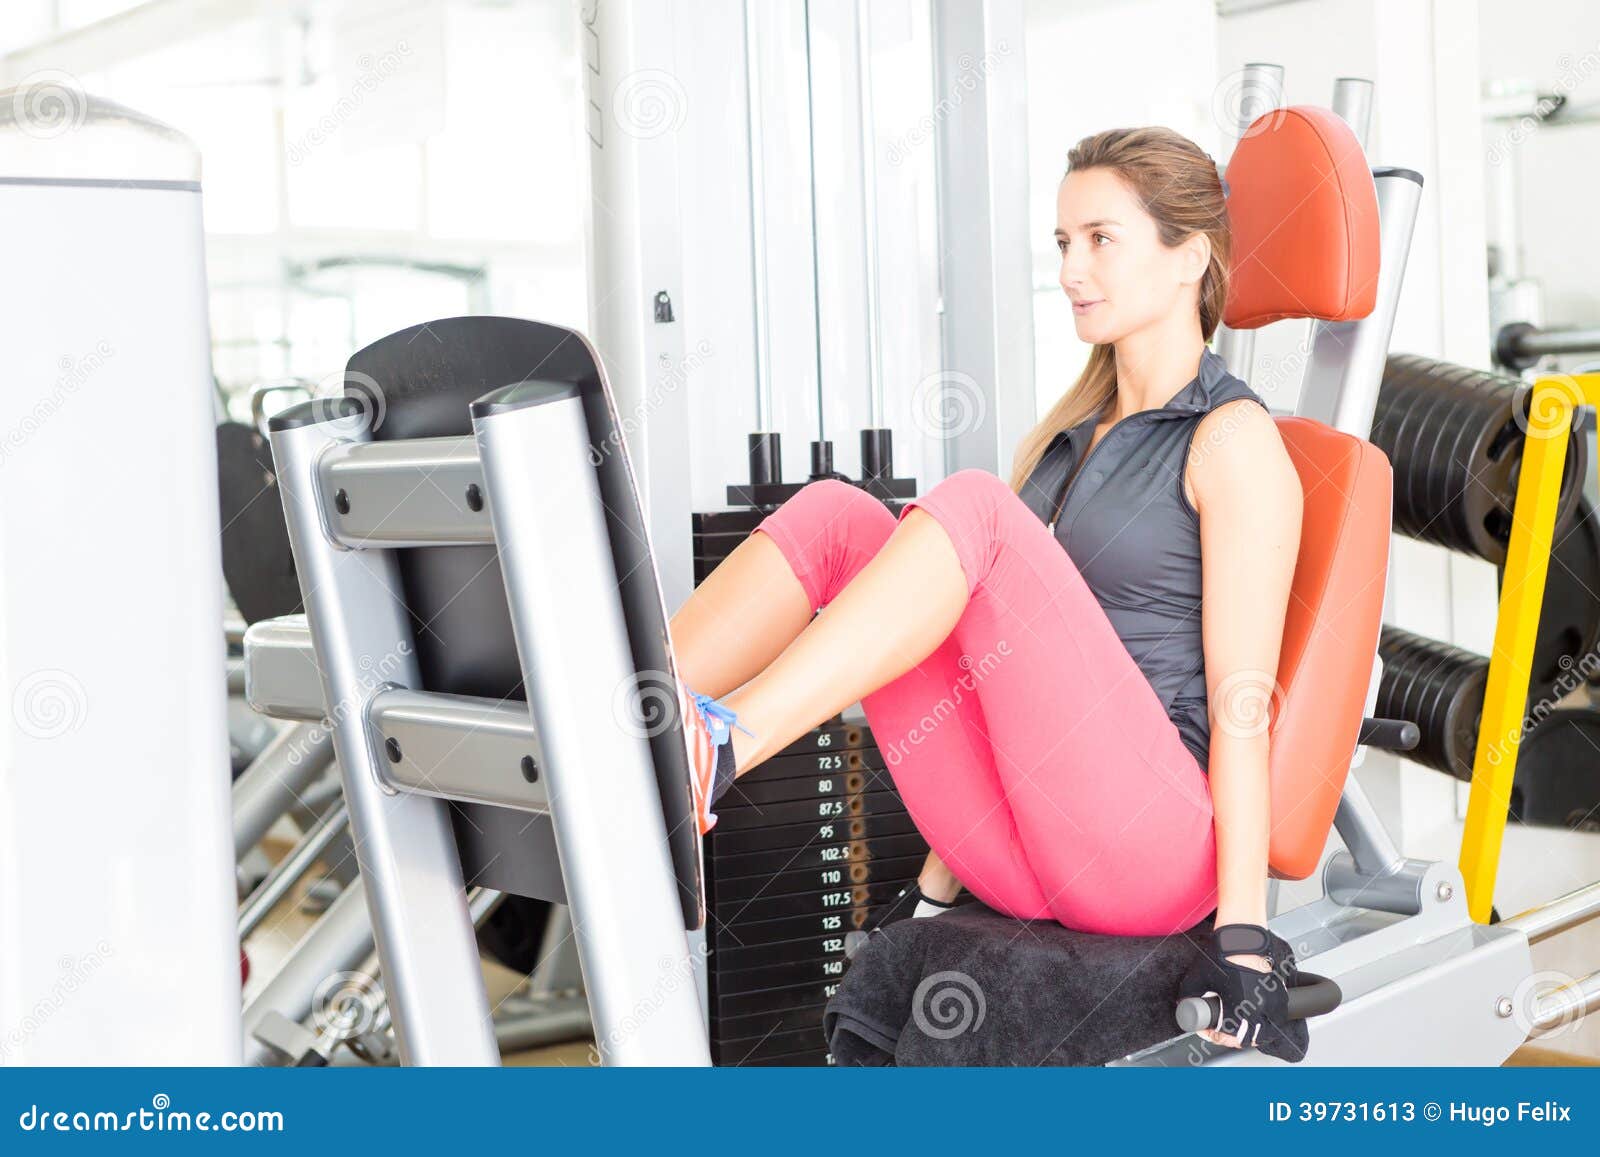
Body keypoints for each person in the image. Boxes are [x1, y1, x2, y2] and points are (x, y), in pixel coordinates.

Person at [668, 126, 1308, 1062]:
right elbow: (1004, 688)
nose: (1071, 270)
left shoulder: (1232, 439)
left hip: (1150, 850)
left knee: (973, 506)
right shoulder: (1059, 441)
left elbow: (1244, 705)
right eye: (1061, 244)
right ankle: (637, 723)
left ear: (1190, 259)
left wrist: (1243, 938)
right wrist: (935, 889)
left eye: (1100, 239)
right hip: (1028, 852)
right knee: (838, 516)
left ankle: (721, 743)